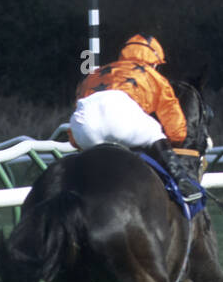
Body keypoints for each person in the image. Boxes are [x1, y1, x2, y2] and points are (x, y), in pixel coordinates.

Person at [70, 33, 204, 203]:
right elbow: (176, 130)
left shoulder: (94, 74)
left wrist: (79, 141)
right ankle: (183, 183)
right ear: (154, 63)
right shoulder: (154, 76)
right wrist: (172, 142)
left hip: (85, 126)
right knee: (155, 133)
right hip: (121, 116)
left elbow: (75, 130)